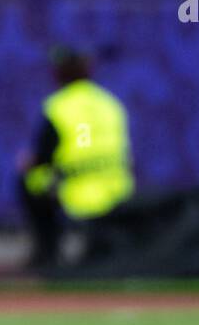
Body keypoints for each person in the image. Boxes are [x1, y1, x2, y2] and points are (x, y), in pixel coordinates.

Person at [17, 47, 134, 269]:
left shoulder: (59, 106)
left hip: (77, 194)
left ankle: (48, 254)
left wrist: (29, 164)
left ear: (60, 73)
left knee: (27, 180)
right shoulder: (110, 103)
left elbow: (42, 158)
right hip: (118, 192)